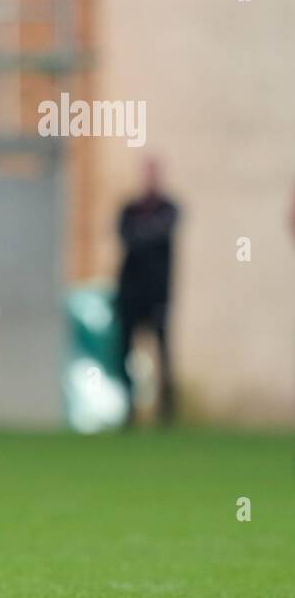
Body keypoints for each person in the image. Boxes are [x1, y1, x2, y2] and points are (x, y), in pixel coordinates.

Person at [115, 158, 179, 426]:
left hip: (158, 293)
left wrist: (144, 235)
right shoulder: (129, 209)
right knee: (126, 351)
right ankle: (129, 408)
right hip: (131, 292)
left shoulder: (169, 208)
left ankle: (167, 412)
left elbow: (157, 234)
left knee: (162, 352)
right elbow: (126, 235)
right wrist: (146, 234)